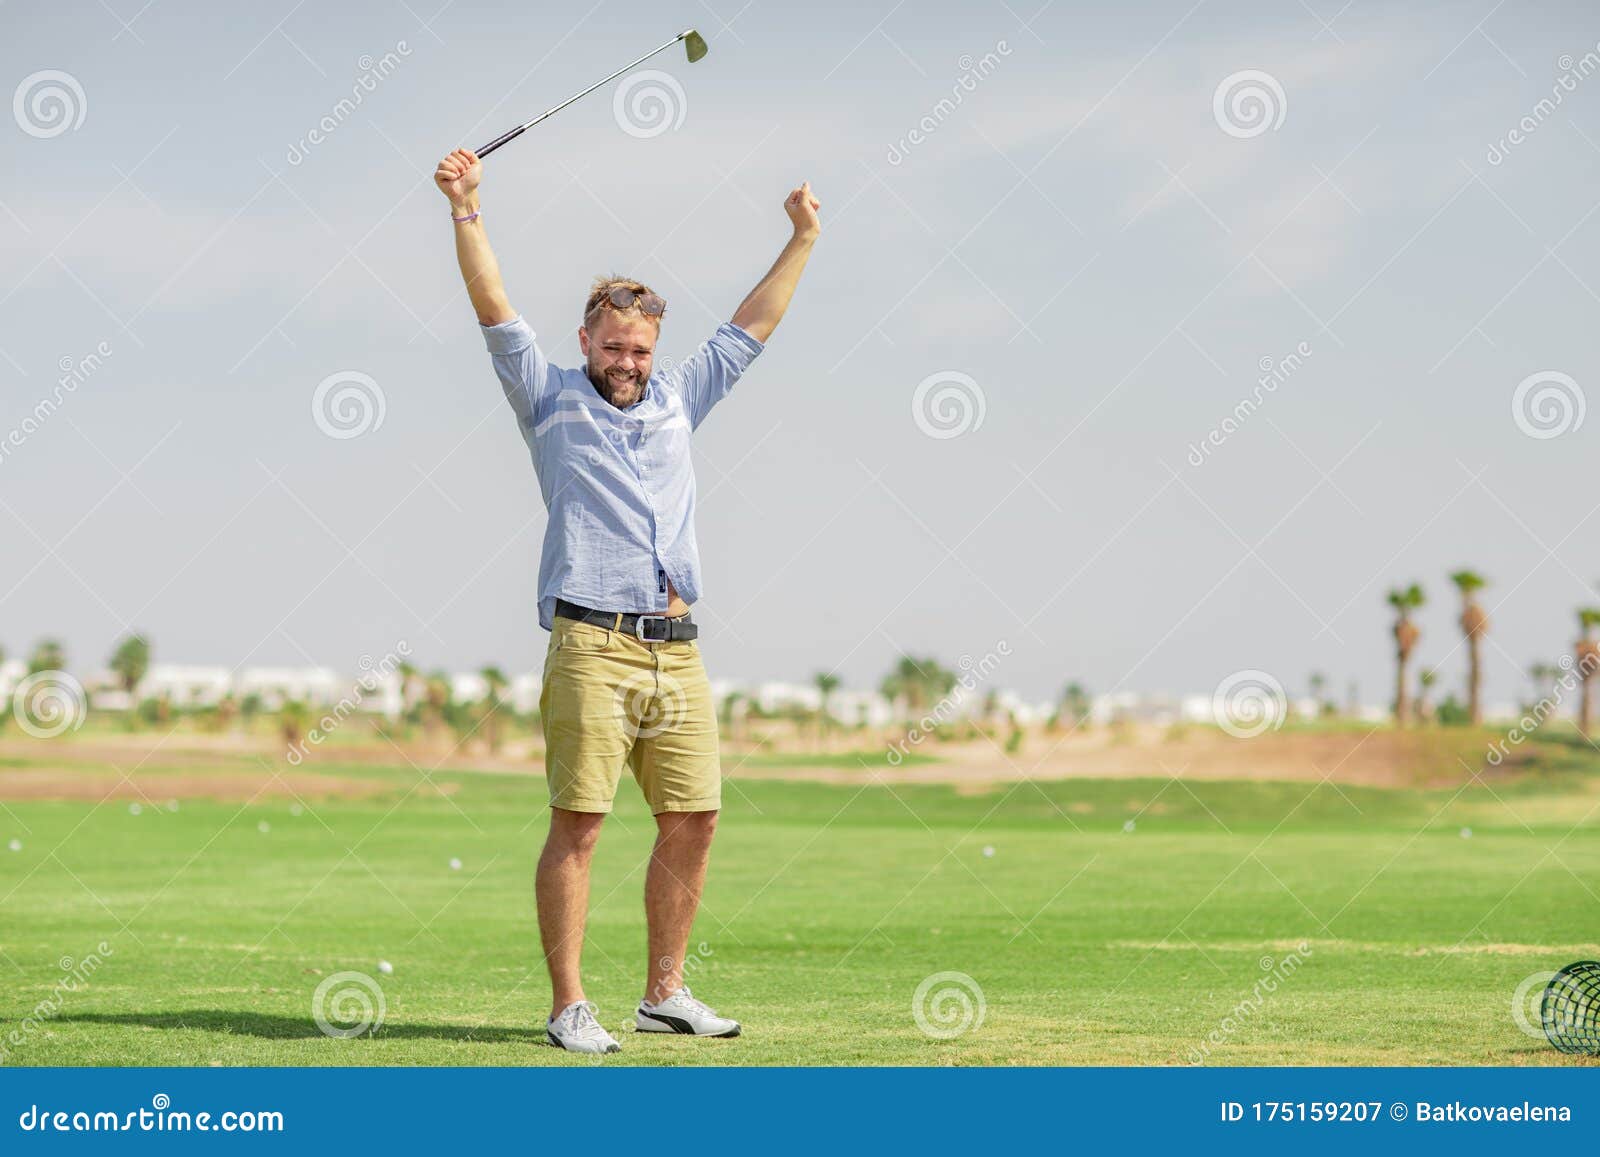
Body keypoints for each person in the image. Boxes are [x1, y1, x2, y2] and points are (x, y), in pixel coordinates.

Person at [434, 146, 820, 1053]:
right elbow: (494, 307)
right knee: (581, 824)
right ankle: (570, 1004)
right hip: (591, 644)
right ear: (585, 343)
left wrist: (802, 238)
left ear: (656, 346)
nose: (626, 360)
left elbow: (752, 327)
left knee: (695, 818)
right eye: (612, 345)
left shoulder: (681, 397)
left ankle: (663, 992)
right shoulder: (548, 397)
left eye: (639, 347)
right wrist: (467, 206)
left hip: (678, 646)